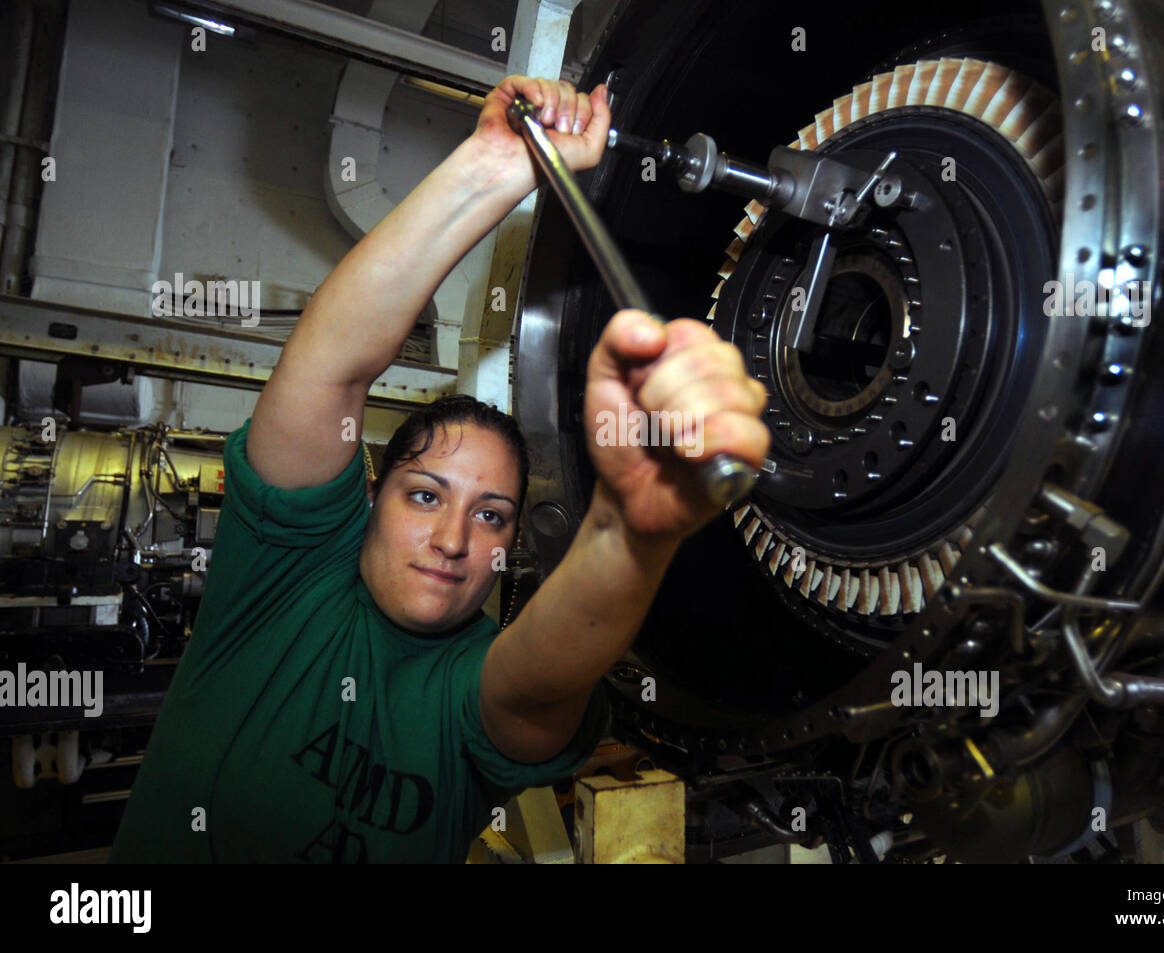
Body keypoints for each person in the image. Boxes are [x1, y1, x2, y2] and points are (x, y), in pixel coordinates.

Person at [108, 75, 769, 863]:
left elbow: (536, 683)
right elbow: (331, 366)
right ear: (371, 499)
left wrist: (630, 528)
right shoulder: (280, 583)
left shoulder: (469, 691)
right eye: (425, 495)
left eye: (490, 514)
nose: (454, 538)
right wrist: (492, 165)